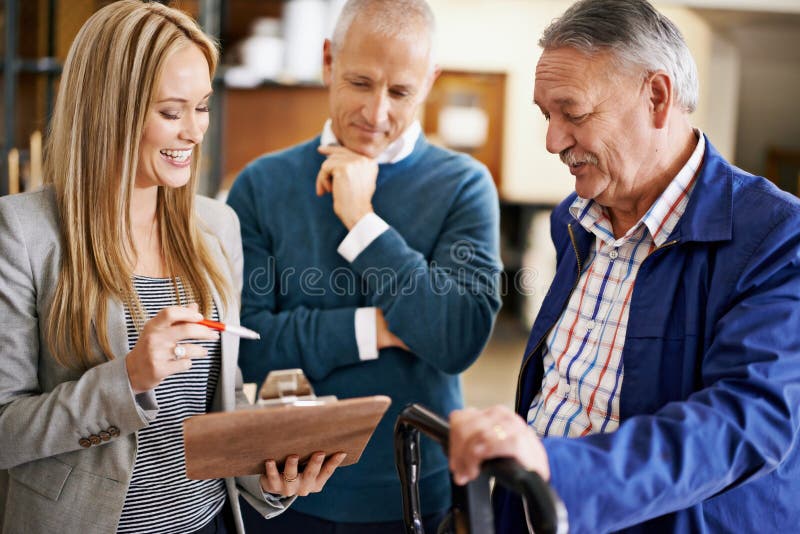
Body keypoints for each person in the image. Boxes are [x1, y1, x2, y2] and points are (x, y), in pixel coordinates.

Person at [447, 0, 800, 532]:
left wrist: (558, 469)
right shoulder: (575, 219)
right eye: (547, 115)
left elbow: (746, 422)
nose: (552, 141)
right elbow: (560, 389)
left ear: (657, 97)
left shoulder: (778, 236)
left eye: (574, 113)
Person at [0, 2, 344, 533]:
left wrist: (269, 472)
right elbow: (6, 431)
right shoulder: (24, 232)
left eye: (202, 106)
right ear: (109, 110)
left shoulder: (217, 227)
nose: (194, 131)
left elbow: (218, 400)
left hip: (208, 521)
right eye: (171, 111)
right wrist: (128, 379)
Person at [226, 0, 502, 531]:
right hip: (283, 489)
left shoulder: (465, 186)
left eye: (400, 92)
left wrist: (363, 222)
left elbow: (456, 338)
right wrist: (380, 327)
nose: (377, 114)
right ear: (328, 62)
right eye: (360, 82)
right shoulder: (261, 185)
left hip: (414, 491)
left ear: (429, 81)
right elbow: (247, 348)